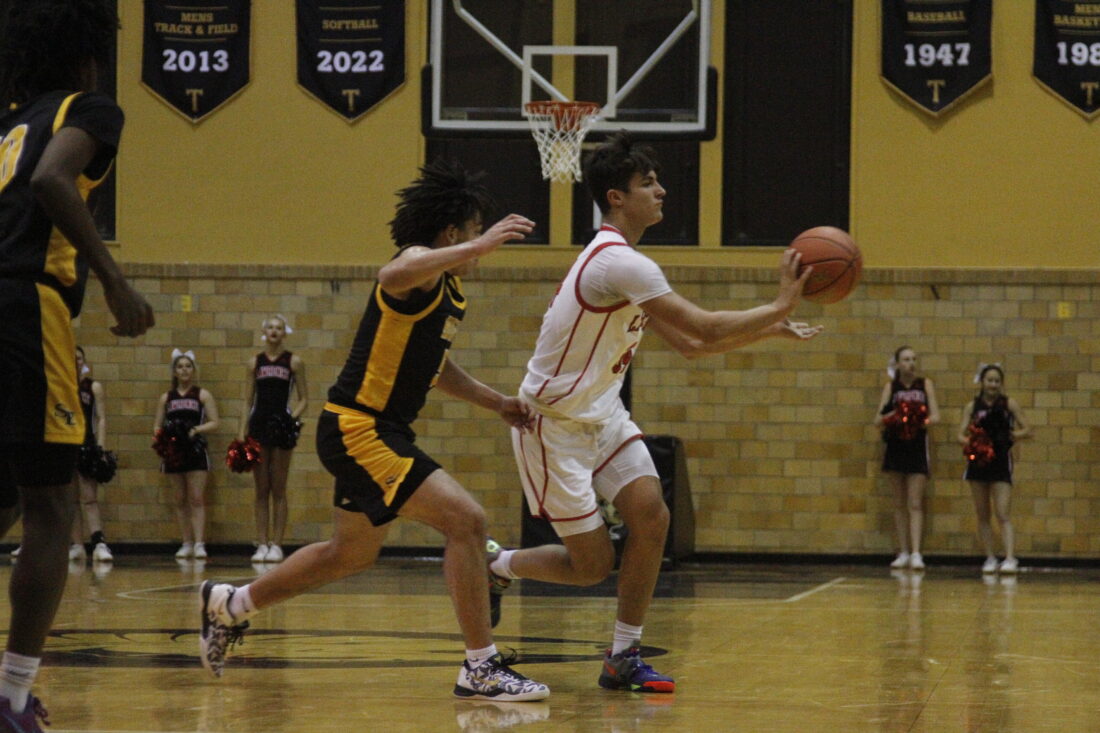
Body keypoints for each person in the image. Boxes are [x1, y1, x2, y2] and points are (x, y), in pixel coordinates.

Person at [199, 160, 550, 702]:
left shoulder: (448, 292)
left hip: (368, 430)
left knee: (350, 554)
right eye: (475, 232)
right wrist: (479, 248)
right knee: (468, 521)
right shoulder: (415, 265)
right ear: (453, 233)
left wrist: (496, 402)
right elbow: (391, 274)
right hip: (359, 427)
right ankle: (480, 668)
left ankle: (231, 604)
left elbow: (434, 367)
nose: (481, 243)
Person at [493, 132, 821, 694]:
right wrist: (777, 303)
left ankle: (623, 657)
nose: (662, 191)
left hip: (603, 414)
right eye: (648, 183)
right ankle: (498, 566)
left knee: (652, 518)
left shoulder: (629, 265)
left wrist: (767, 329)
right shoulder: (617, 262)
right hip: (552, 425)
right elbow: (704, 326)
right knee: (592, 566)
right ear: (616, 198)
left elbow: (691, 347)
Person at [0, 1, 154, 728]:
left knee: (5, 498)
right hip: (28, 307)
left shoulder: (8, 122)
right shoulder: (88, 108)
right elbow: (54, 182)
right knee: (51, 505)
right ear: (88, 55)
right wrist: (115, 280)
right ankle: (12, 696)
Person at [239, 315, 307, 563]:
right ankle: (261, 543)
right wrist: (241, 430)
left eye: (279, 328)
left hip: (282, 427)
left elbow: (303, 399)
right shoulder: (254, 362)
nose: (274, 332)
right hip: (258, 425)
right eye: (270, 328)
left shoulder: (294, 362)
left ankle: (277, 544)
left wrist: (290, 419)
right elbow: (247, 400)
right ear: (264, 332)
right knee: (261, 489)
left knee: (278, 487)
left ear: (284, 333)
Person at [957, 363, 1030, 574]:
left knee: (1002, 512)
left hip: (1000, 462)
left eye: (997, 381)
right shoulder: (972, 407)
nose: (993, 384)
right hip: (978, 462)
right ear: (982, 382)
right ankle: (989, 557)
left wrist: (1009, 436)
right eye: (989, 380)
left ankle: (1009, 558)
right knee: (982, 514)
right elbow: (960, 434)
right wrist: (973, 443)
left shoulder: (1009, 404)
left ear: (1001, 384)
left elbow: (1028, 429)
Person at [873, 346, 940, 571]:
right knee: (899, 502)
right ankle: (902, 551)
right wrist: (896, 417)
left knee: (915, 502)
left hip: (917, 447)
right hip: (895, 446)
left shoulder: (925, 384)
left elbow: (936, 416)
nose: (911, 363)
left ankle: (916, 553)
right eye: (906, 359)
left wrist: (918, 420)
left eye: (914, 359)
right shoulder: (891, 387)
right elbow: (878, 419)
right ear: (898, 364)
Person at [153, 350, 219, 560]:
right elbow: (157, 425)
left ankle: (200, 543)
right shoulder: (166, 397)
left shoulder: (202, 395)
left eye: (188, 366)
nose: (184, 370)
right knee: (180, 499)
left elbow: (215, 422)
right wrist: (161, 440)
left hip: (196, 451)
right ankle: (186, 542)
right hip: (173, 453)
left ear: (193, 370)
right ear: (174, 371)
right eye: (180, 366)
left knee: (196, 498)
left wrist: (196, 430)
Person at [71, 346, 114, 563]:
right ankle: (76, 545)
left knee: (89, 498)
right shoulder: (60, 385)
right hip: (65, 447)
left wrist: (100, 447)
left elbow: (101, 418)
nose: (75, 361)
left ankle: (99, 543)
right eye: (72, 357)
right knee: (70, 499)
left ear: (83, 361)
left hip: (87, 445)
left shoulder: (92, 387)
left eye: (78, 358)